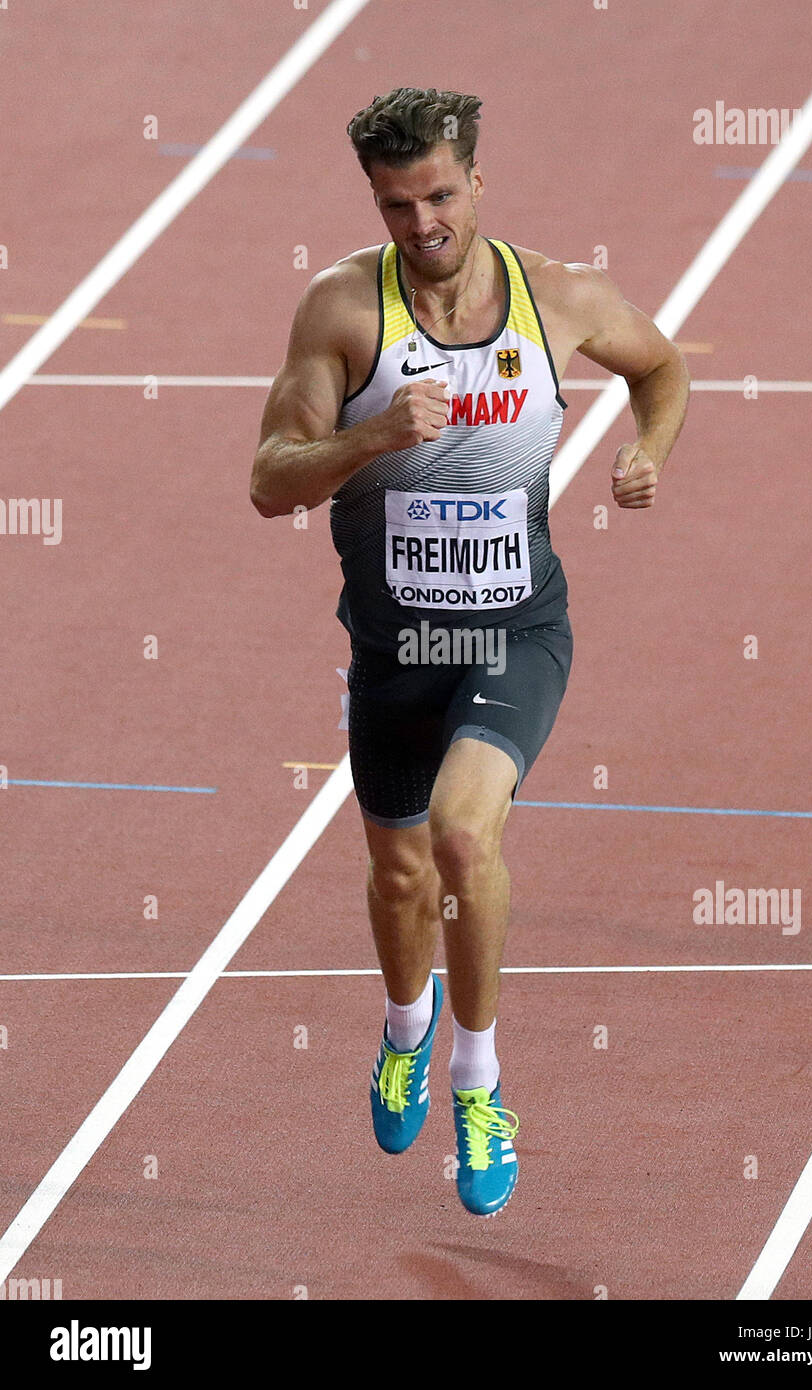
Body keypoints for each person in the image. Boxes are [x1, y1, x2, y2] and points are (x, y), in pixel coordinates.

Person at [251, 87, 689, 1217]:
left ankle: (478, 1081)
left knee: (459, 831)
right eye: (397, 205)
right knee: (398, 872)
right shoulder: (345, 308)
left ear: (477, 181)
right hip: (392, 644)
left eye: (439, 194)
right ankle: (406, 1026)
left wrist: (647, 449)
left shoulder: (561, 297)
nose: (423, 223)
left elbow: (661, 366)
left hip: (515, 629)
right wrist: (372, 435)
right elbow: (268, 480)